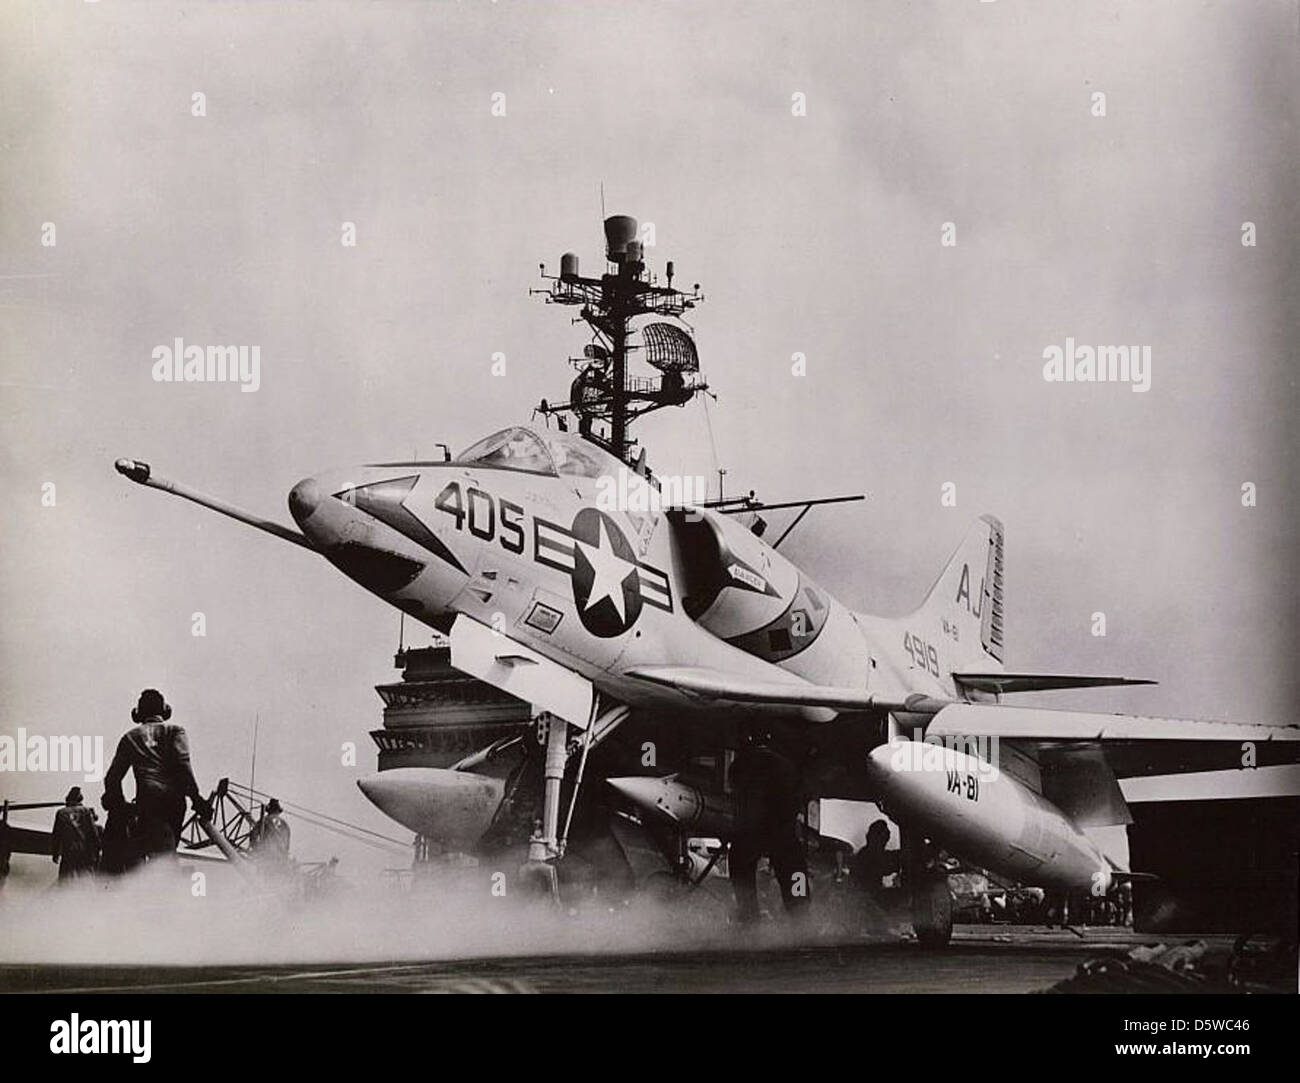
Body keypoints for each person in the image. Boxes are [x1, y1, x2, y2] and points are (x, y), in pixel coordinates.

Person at [103, 689, 210, 862]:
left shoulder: (129, 737)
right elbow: (183, 766)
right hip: (174, 802)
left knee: (154, 852)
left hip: (147, 802)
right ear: (165, 710)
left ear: (137, 713)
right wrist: (197, 799)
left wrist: (120, 807)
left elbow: (112, 779)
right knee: (167, 853)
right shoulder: (176, 731)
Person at [728, 724, 809, 924]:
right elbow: (795, 796)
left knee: (741, 868)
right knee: (793, 870)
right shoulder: (785, 765)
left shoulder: (739, 764)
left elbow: (737, 793)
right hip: (781, 827)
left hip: (750, 828)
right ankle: (800, 917)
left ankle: (748, 916)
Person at [51, 787, 100, 882]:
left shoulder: (61, 813)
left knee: (65, 880)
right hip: (84, 852)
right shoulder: (86, 811)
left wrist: (55, 853)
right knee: (84, 880)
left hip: (68, 851)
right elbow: (93, 833)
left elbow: (56, 835)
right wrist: (96, 849)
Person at [851, 819, 900, 902]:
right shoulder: (869, 856)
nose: (884, 843)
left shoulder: (865, 853)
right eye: (882, 839)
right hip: (866, 901)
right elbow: (888, 863)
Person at [249, 798, 292, 867]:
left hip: (267, 856)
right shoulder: (285, 825)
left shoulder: (264, 821)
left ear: (269, 811)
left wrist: (256, 849)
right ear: (278, 811)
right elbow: (287, 844)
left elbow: (253, 835)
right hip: (280, 859)